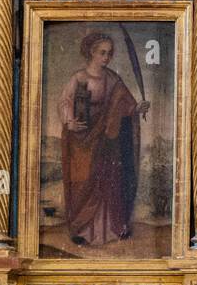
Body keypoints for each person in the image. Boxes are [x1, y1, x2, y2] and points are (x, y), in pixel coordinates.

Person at [57, 31, 151, 246]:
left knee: (109, 182)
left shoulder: (112, 79)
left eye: (109, 53)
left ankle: (112, 228)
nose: (107, 57)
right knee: (85, 182)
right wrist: (69, 121)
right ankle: (82, 227)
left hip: (107, 140)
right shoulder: (79, 78)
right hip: (82, 140)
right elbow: (64, 102)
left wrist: (138, 108)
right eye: (102, 53)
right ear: (91, 53)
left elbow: (125, 105)